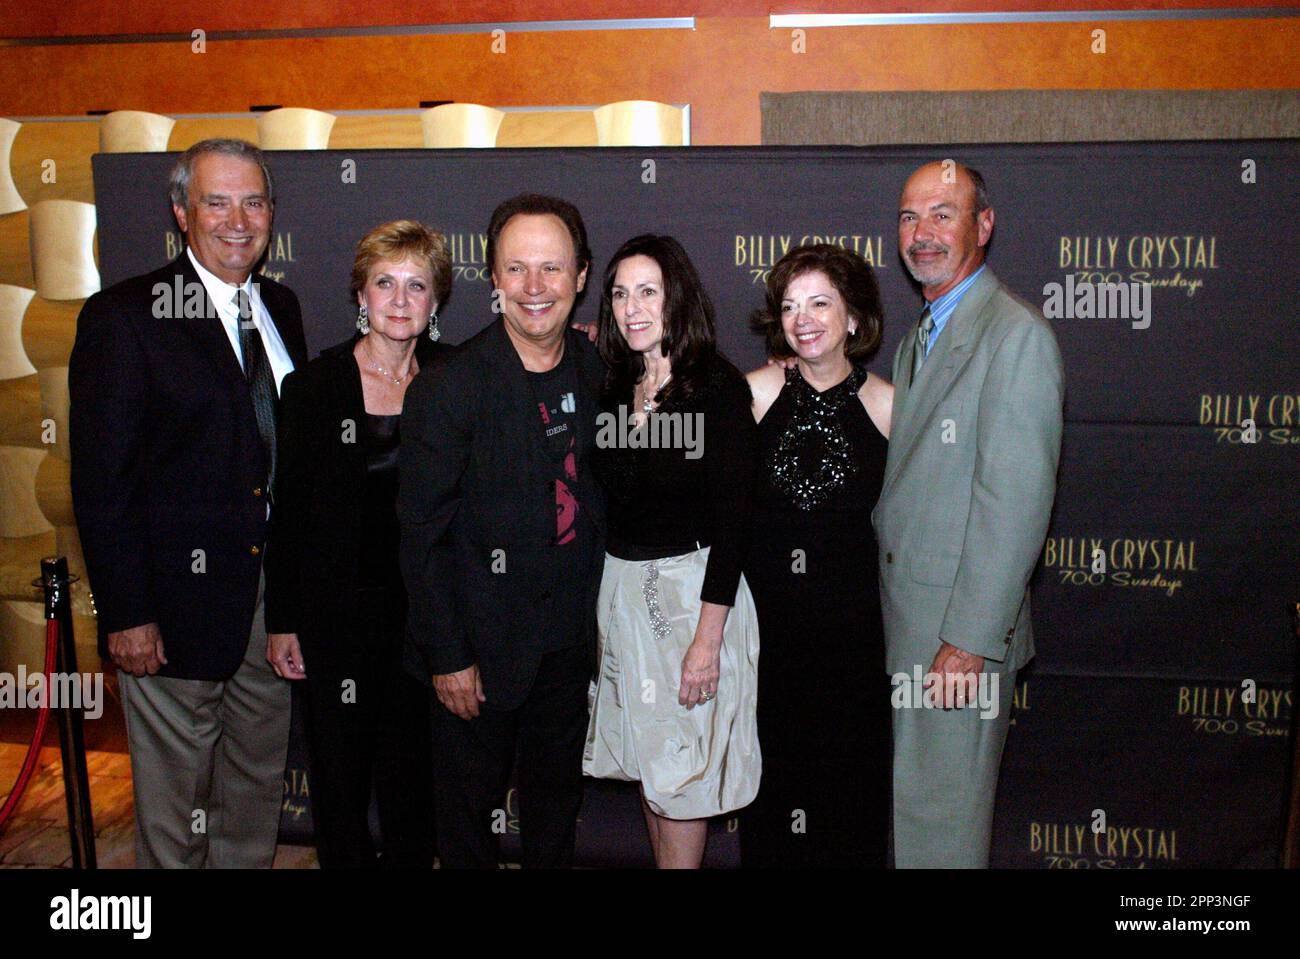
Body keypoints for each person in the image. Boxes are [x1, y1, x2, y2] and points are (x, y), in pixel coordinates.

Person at [69, 139, 307, 868]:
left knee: (255, 788)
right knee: (175, 811)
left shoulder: (281, 307)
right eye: (217, 200)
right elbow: (101, 481)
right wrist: (128, 612)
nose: (239, 219)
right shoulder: (125, 316)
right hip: (169, 610)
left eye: (255, 201)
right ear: (181, 212)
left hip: (269, 605)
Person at [399, 194, 606, 869]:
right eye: (517, 269)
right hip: (476, 658)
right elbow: (421, 535)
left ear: (581, 277)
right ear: (493, 280)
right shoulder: (449, 386)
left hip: (568, 649)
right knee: (466, 834)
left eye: (552, 268)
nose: (535, 287)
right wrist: (448, 656)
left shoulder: (599, 371)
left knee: (554, 821)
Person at [875, 161, 1064, 868]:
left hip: (957, 640)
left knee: (942, 831)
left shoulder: (1015, 337)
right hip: (914, 627)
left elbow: (1013, 504)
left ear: (983, 225)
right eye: (908, 217)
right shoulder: (921, 335)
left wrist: (969, 641)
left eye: (942, 214)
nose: (921, 234)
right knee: (924, 816)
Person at [264, 220, 453, 868]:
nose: (400, 300)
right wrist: (283, 619)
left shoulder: (456, 381)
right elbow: (286, 513)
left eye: (416, 285)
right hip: (336, 621)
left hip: (427, 622)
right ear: (361, 295)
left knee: (415, 786)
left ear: (435, 303)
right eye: (385, 283)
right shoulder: (314, 389)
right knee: (339, 788)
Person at [583, 234, 761, 869]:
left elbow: (736, 520)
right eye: (620, 293)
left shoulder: (715, 387)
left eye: (648, 292)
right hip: (623, 594)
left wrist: (708, 640)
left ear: (676, 298)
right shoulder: (613, 383)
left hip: (691, 601)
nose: (632, 307)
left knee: (684, 778)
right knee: (652, 768)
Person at [740, 243, 894, 868]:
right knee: (773, 799)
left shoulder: (891, 405)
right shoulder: (751, 395)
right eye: (790, 306)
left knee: (849, 800)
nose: (803, 318)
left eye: (820, 303)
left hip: (856, 642)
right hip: (767, 640)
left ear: (854, 317)